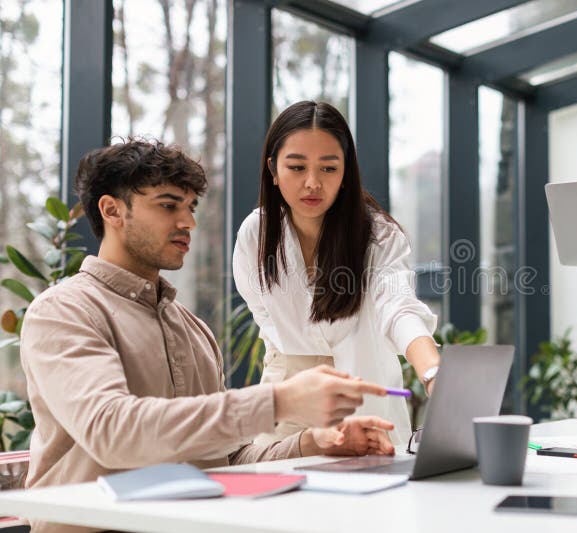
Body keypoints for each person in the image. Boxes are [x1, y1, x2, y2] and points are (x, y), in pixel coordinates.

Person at [20, 139, 396, 532]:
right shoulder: (63, 311)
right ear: (112, 210)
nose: (188, 223)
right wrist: (278, 400)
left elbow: (225, 461)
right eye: (168, 205)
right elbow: (112, 430)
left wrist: (315, 443)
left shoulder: (193, 330)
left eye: (190, 207)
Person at [233, 101, 440, 446]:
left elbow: (399, 306)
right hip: (287, 400)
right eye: (296, 167)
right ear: (272, 169)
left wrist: (434, 373)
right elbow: (263, 314)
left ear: (346, 172)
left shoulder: (379, 236)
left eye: (328, 169)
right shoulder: (255, 234)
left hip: (362, 398)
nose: (312, 183)